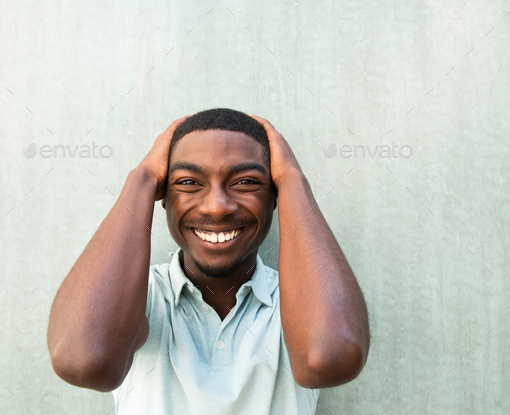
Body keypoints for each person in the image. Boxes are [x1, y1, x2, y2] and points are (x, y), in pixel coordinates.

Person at [46, 108, 370, 414]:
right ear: (162, 197)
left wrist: (292, 181)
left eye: (246, 181)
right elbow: (85, 359)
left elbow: (329, 359)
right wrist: (141, 179)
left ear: (274, 199)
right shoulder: (139, 298)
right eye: (188, 182)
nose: (217, 207)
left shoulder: (299, 303)